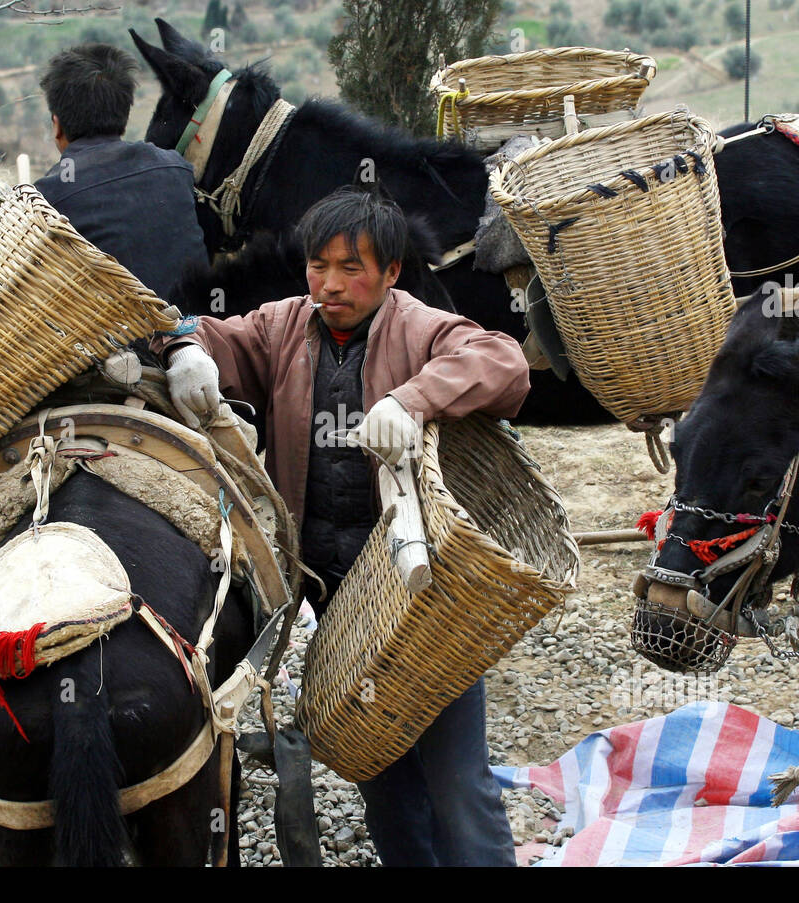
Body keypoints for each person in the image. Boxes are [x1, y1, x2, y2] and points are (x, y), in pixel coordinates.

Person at [157, 188, 529, 866]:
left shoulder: (419, 328)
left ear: (391, 274)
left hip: (424, 593)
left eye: (352, 268)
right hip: (335, 595)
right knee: (380, 765)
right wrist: (187, 349)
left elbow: (502, 362)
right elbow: (203, 331)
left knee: (455, 778)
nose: (331, 284)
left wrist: (410, 399)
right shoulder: (283, 327)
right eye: (318, 265)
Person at [35, 43, 207, 300]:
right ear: (124, 116)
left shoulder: (46, 200)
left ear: (56, 126)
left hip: (119, 338)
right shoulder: (176, 168)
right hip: (200, 331)